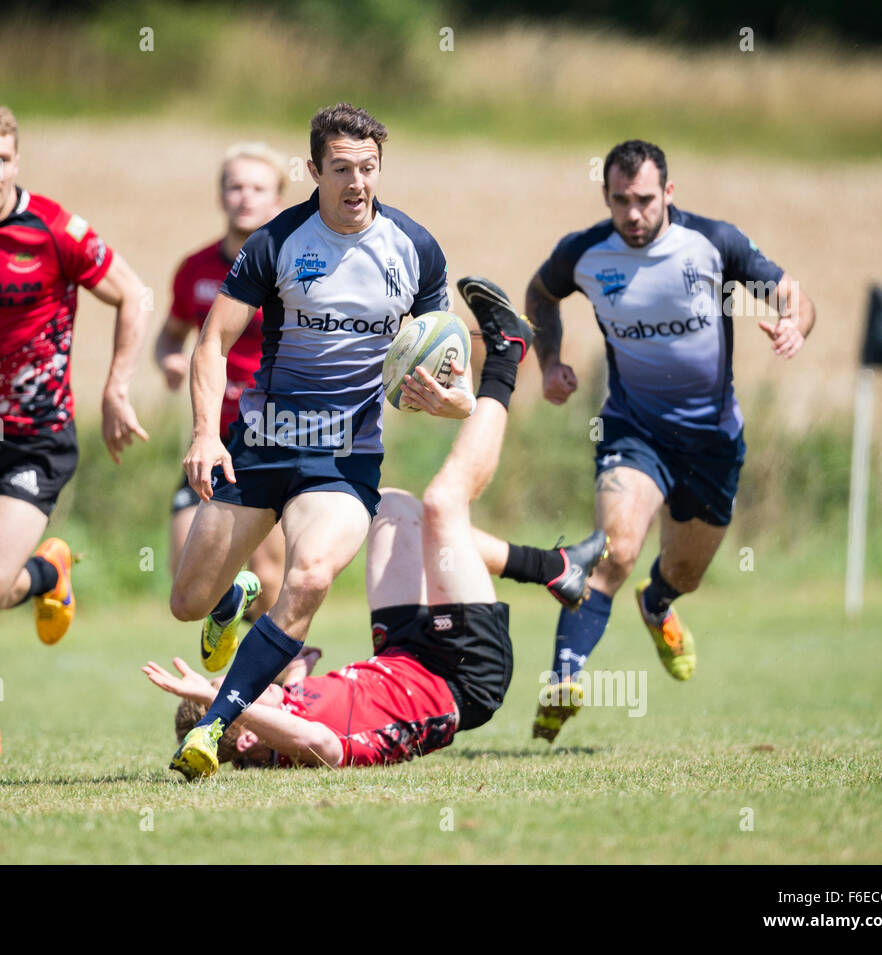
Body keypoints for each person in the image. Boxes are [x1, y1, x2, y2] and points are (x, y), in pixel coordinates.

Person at [166, 102, 484, 780]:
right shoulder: (277, 241)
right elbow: (213, 339)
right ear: (312, 170)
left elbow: (446, 353)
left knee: (310, 577)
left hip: (344, 459)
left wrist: (457, 401)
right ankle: (231, 598)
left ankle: (216, 722)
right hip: (259, 449)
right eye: (341, 168)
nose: (357, 183)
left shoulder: (415, 249)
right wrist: (202, 432)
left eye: (368, 168)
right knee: (186, 600)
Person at [146, 306, 608, 769]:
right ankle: (506, 357)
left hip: (402, 652)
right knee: (443, 502)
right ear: (246, 740)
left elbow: (287, 698)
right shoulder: (304, 746)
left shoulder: (279, 715)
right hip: (463, 674)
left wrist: (296, 666)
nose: (245, 686)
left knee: (391, 508)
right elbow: (323, 744)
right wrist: (218, 700)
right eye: (234, 694)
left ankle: (555, 568)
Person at [522, 139, 816, 742]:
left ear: (669, 194)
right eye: (621, 201)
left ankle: (657, 605)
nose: (633, 214)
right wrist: (549, 360)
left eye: (646, 200)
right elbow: (540, 295)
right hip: (634, 428)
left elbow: (794, 293)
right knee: (615, 548)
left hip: (712, 439)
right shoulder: (584, 253)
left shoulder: (713, 243)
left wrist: (793, 322)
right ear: (605, 196)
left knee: (684, 570)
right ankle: (563, 680)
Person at [0, 105, 148, 757]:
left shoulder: (53, 228)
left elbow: (134, 293)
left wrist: (116, 385)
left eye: (1, 160)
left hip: (34, 436)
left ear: (16, 161)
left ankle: (49, 571)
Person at [154, 143, 288, 621]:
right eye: (235, 186)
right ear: (221, 196)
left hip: (270, 438)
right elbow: (169, 337)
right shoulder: (195, 269)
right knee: (188, 579)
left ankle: (275, 677)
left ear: (278, 200)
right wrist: (170, 361)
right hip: (210, 439)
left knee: (268, 573)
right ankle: (232, 612)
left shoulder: (292, 270)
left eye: (258, 188)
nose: (244, 197)